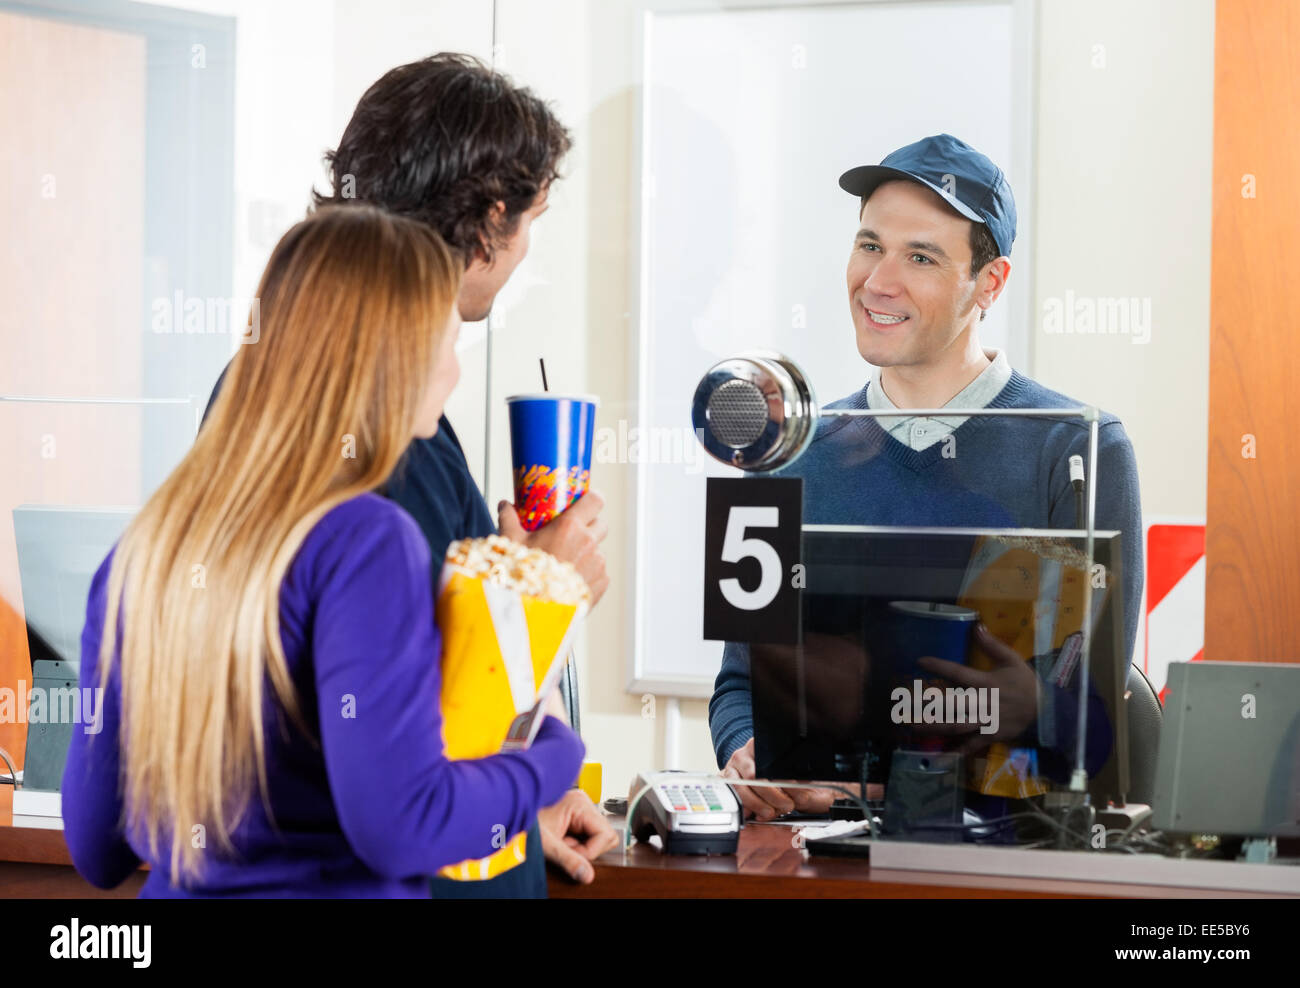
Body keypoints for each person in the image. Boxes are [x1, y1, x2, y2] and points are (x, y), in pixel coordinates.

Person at [62, 206, 586, 897]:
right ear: (397, 354)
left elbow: (96, 846)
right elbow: (404, 825)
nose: (455, 373)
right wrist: (552, 755)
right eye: (447, 343)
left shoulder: (148, 548)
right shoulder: (364, 538)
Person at [205, 54, 618, 896]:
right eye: (529, 222)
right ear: (490, 218)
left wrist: (523, 800)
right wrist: (545, 585)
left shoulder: (264, 383)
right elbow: (429, 708)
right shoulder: (392, 429)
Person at [710, 134, 1143, 821]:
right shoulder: (789, 447)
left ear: (989, 283)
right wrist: (747, 751)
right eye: (870, 244)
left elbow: (1087, 716)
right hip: (815, 859)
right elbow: (739, 685)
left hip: (1003, 863)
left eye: (921, 257)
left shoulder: (1079, 448)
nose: (879, 281)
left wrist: (918, 771)